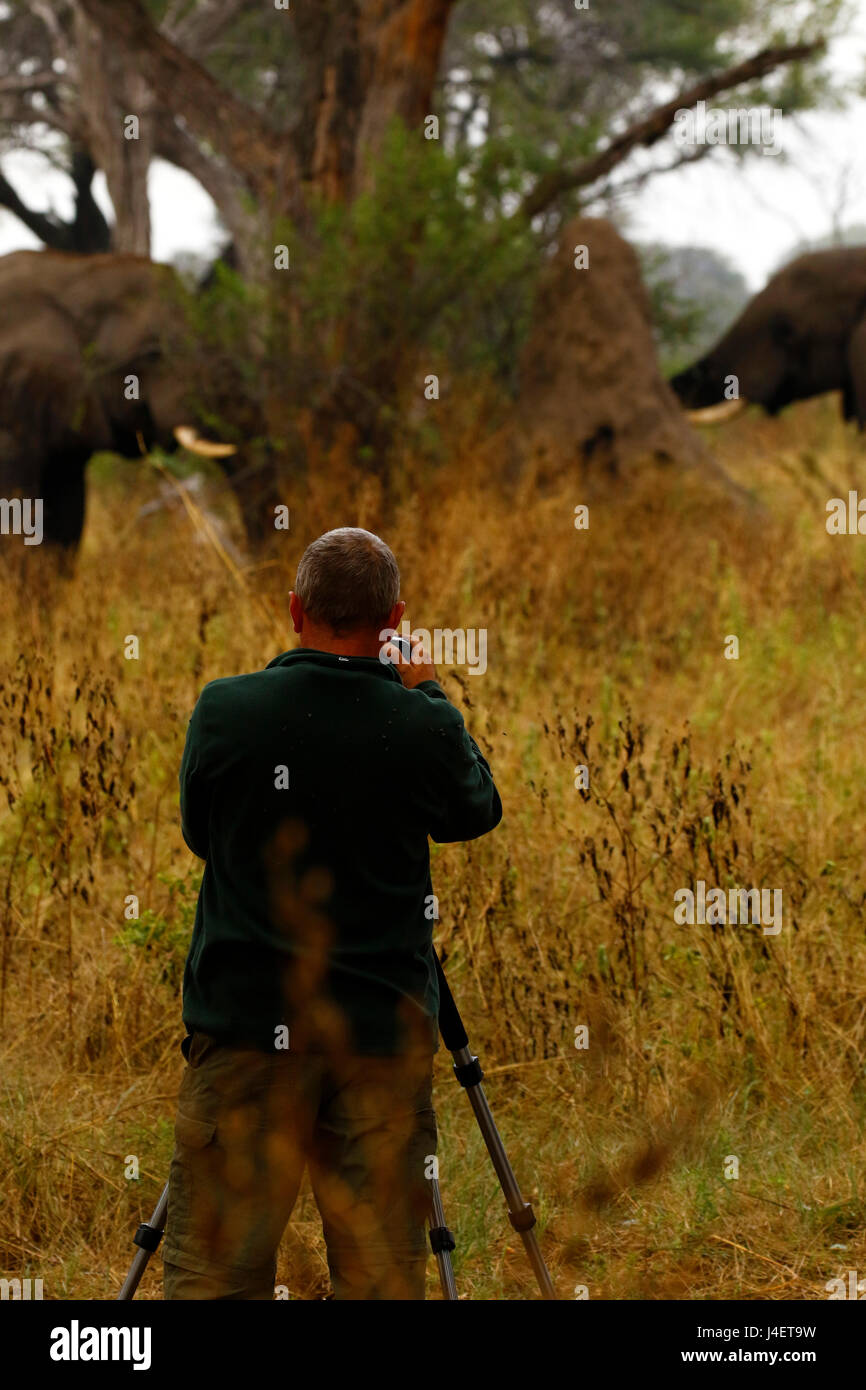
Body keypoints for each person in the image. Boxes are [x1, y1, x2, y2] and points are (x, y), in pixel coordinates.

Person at [162, 526, 502, 1300]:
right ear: (396, 621)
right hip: (379, 1039)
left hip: (247, 1029)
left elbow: (199, 835)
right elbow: (475, 808)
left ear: (294, 611)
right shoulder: (417, 723)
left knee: (212, 1279)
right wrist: (429, 692)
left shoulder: (225, 710)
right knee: (381, 1279)